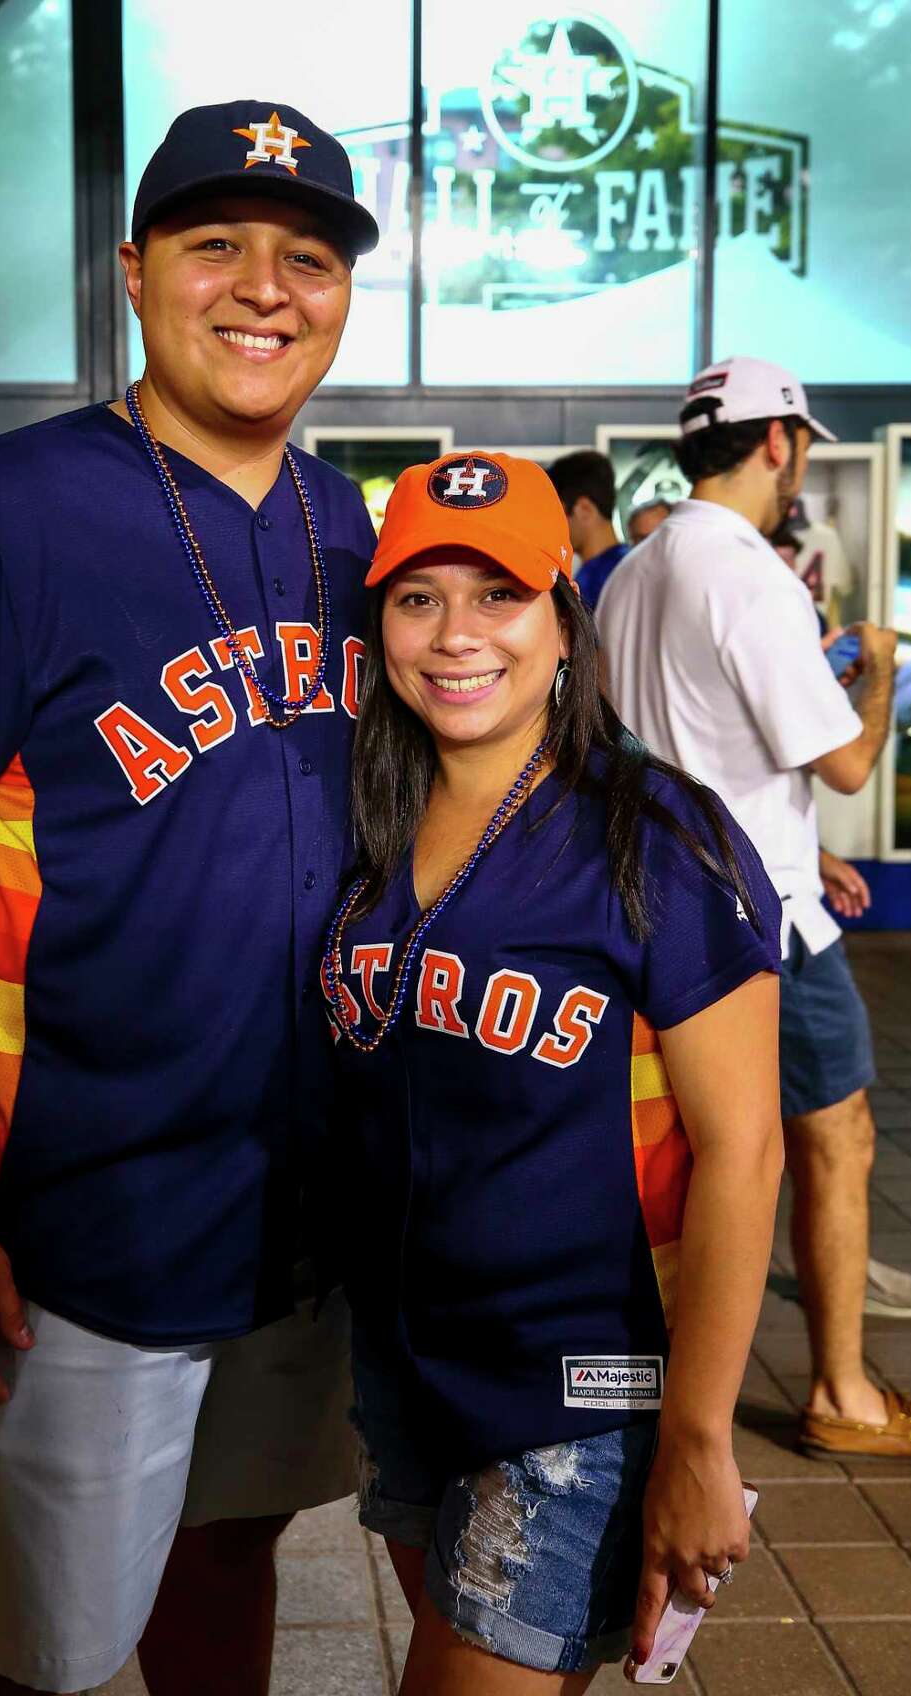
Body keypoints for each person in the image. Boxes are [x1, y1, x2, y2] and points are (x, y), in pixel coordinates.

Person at [0, 100, 380, 1695]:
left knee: (233, 1543)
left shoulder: (353, 530)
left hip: (302, 1206)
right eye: (217, 246)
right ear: (133, 273)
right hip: (85, 1215)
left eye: (308, 255)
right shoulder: (3, 512)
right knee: (36, 1647)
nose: (266, 287)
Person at [321, 451, 786, 1691]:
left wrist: (699, 1438)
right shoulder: (369, 820)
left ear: (564, 620)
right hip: (411, 1364)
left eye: (499, 594)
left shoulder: (658, 831)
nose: (457, 633)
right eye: (419, 598)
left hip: (577, 1390)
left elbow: (747, 1147)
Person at [598, 357, 911, 1462]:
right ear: (779, 445)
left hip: (660, 901)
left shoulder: (635, 570)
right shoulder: (752, 577)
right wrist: (887, 667)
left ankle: (653, 1382)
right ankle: (842, 1392)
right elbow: (847, 764)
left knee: (704, 1151)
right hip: (765, 919)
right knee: (832, 1138)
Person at [546, 450, 629, 611]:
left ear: (584, 509)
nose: (551, 522)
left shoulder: (607, 575)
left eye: (557, 512)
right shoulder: (624, 565)